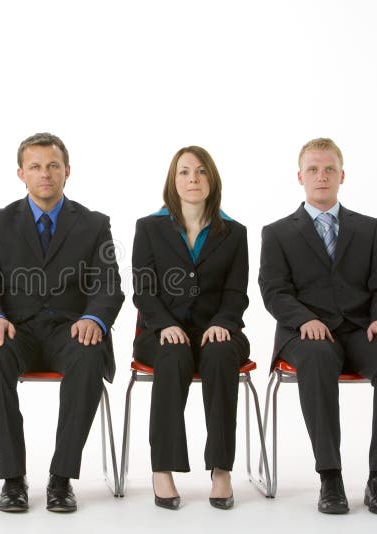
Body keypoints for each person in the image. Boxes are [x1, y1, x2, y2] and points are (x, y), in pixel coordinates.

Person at [0, 132, 124, 513]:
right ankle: (13, 479)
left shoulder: (93, 224)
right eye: (35, 167)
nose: (45, 174)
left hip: (69, 330)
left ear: (67, 171)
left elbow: (109, 284)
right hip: (14, 329)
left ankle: (61, 478)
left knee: (88, 356)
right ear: (21, 173)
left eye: (53, 166)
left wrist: (93, 318)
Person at [258, 138, 377, 515]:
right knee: (316, 357)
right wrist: (305, 320)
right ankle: (330, 476)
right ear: (300, 177)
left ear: (342, 175)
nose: (321, 176)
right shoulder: (278, 233)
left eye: (329, 169)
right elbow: (274, 291)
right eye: (313, 169)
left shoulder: (369, 228)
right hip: (306, 333)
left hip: (362, 330)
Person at [132, 146, 249, 510]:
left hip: (219, 331)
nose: (193, 179)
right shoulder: (149, 228)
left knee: (218, 354)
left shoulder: (234, 232)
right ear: (173, 180)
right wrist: (165, 324)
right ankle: (162, 468)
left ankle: (221, 468)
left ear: (212, 179)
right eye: (184, 172)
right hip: (161, 332)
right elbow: (144, 289)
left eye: (200, 171)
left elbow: (236, 293)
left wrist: (222, 323)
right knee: (174, 354)